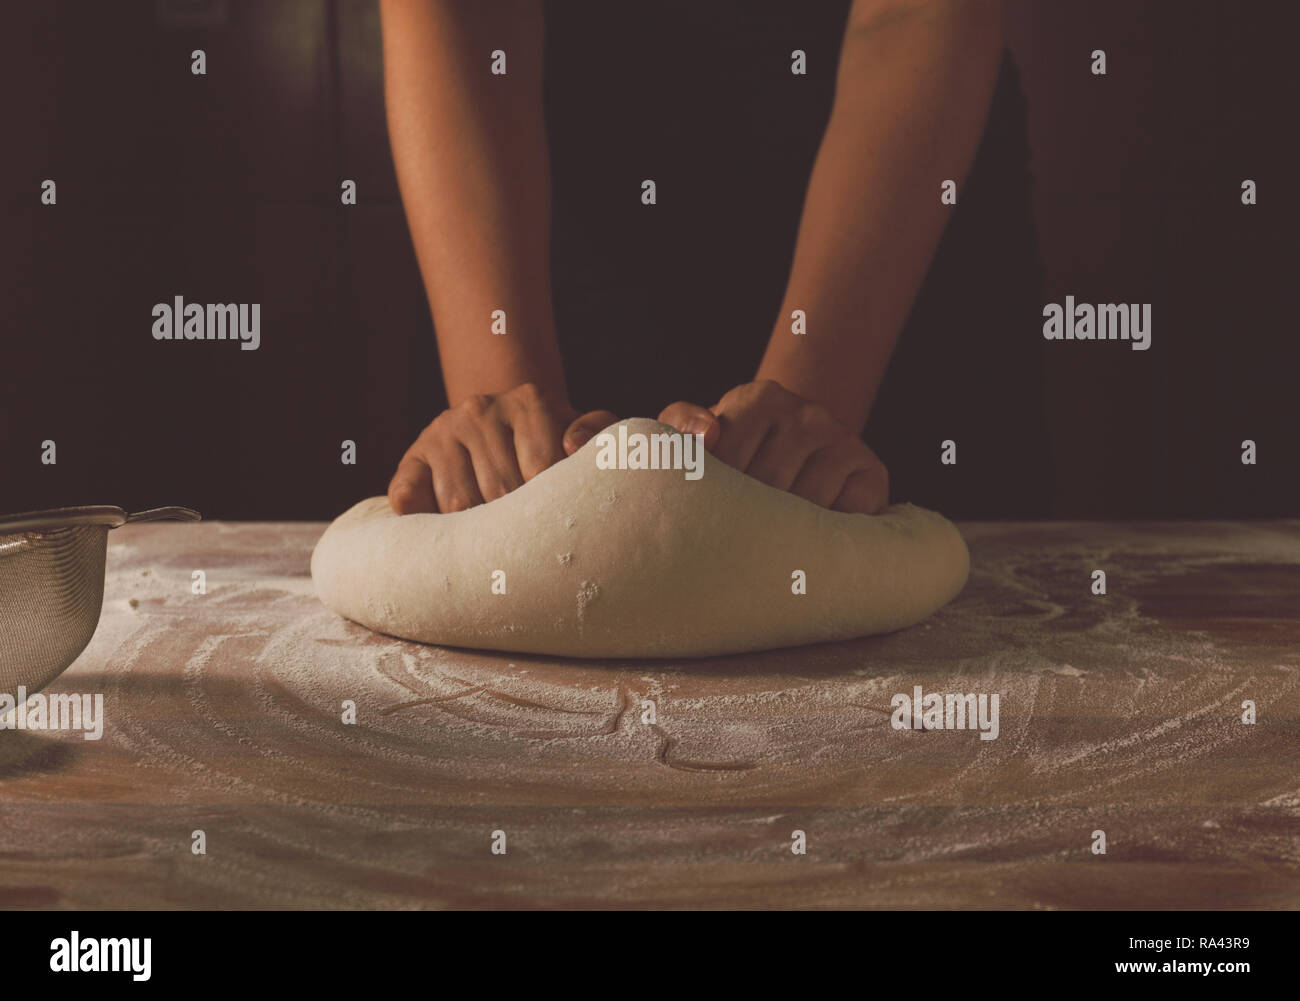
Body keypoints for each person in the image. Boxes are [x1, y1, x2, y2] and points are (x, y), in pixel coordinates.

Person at [378, 0, 1046, 519]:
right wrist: (502, 407)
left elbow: (914, 10)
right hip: (527, 206)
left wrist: (807, 418)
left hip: (889, 221)